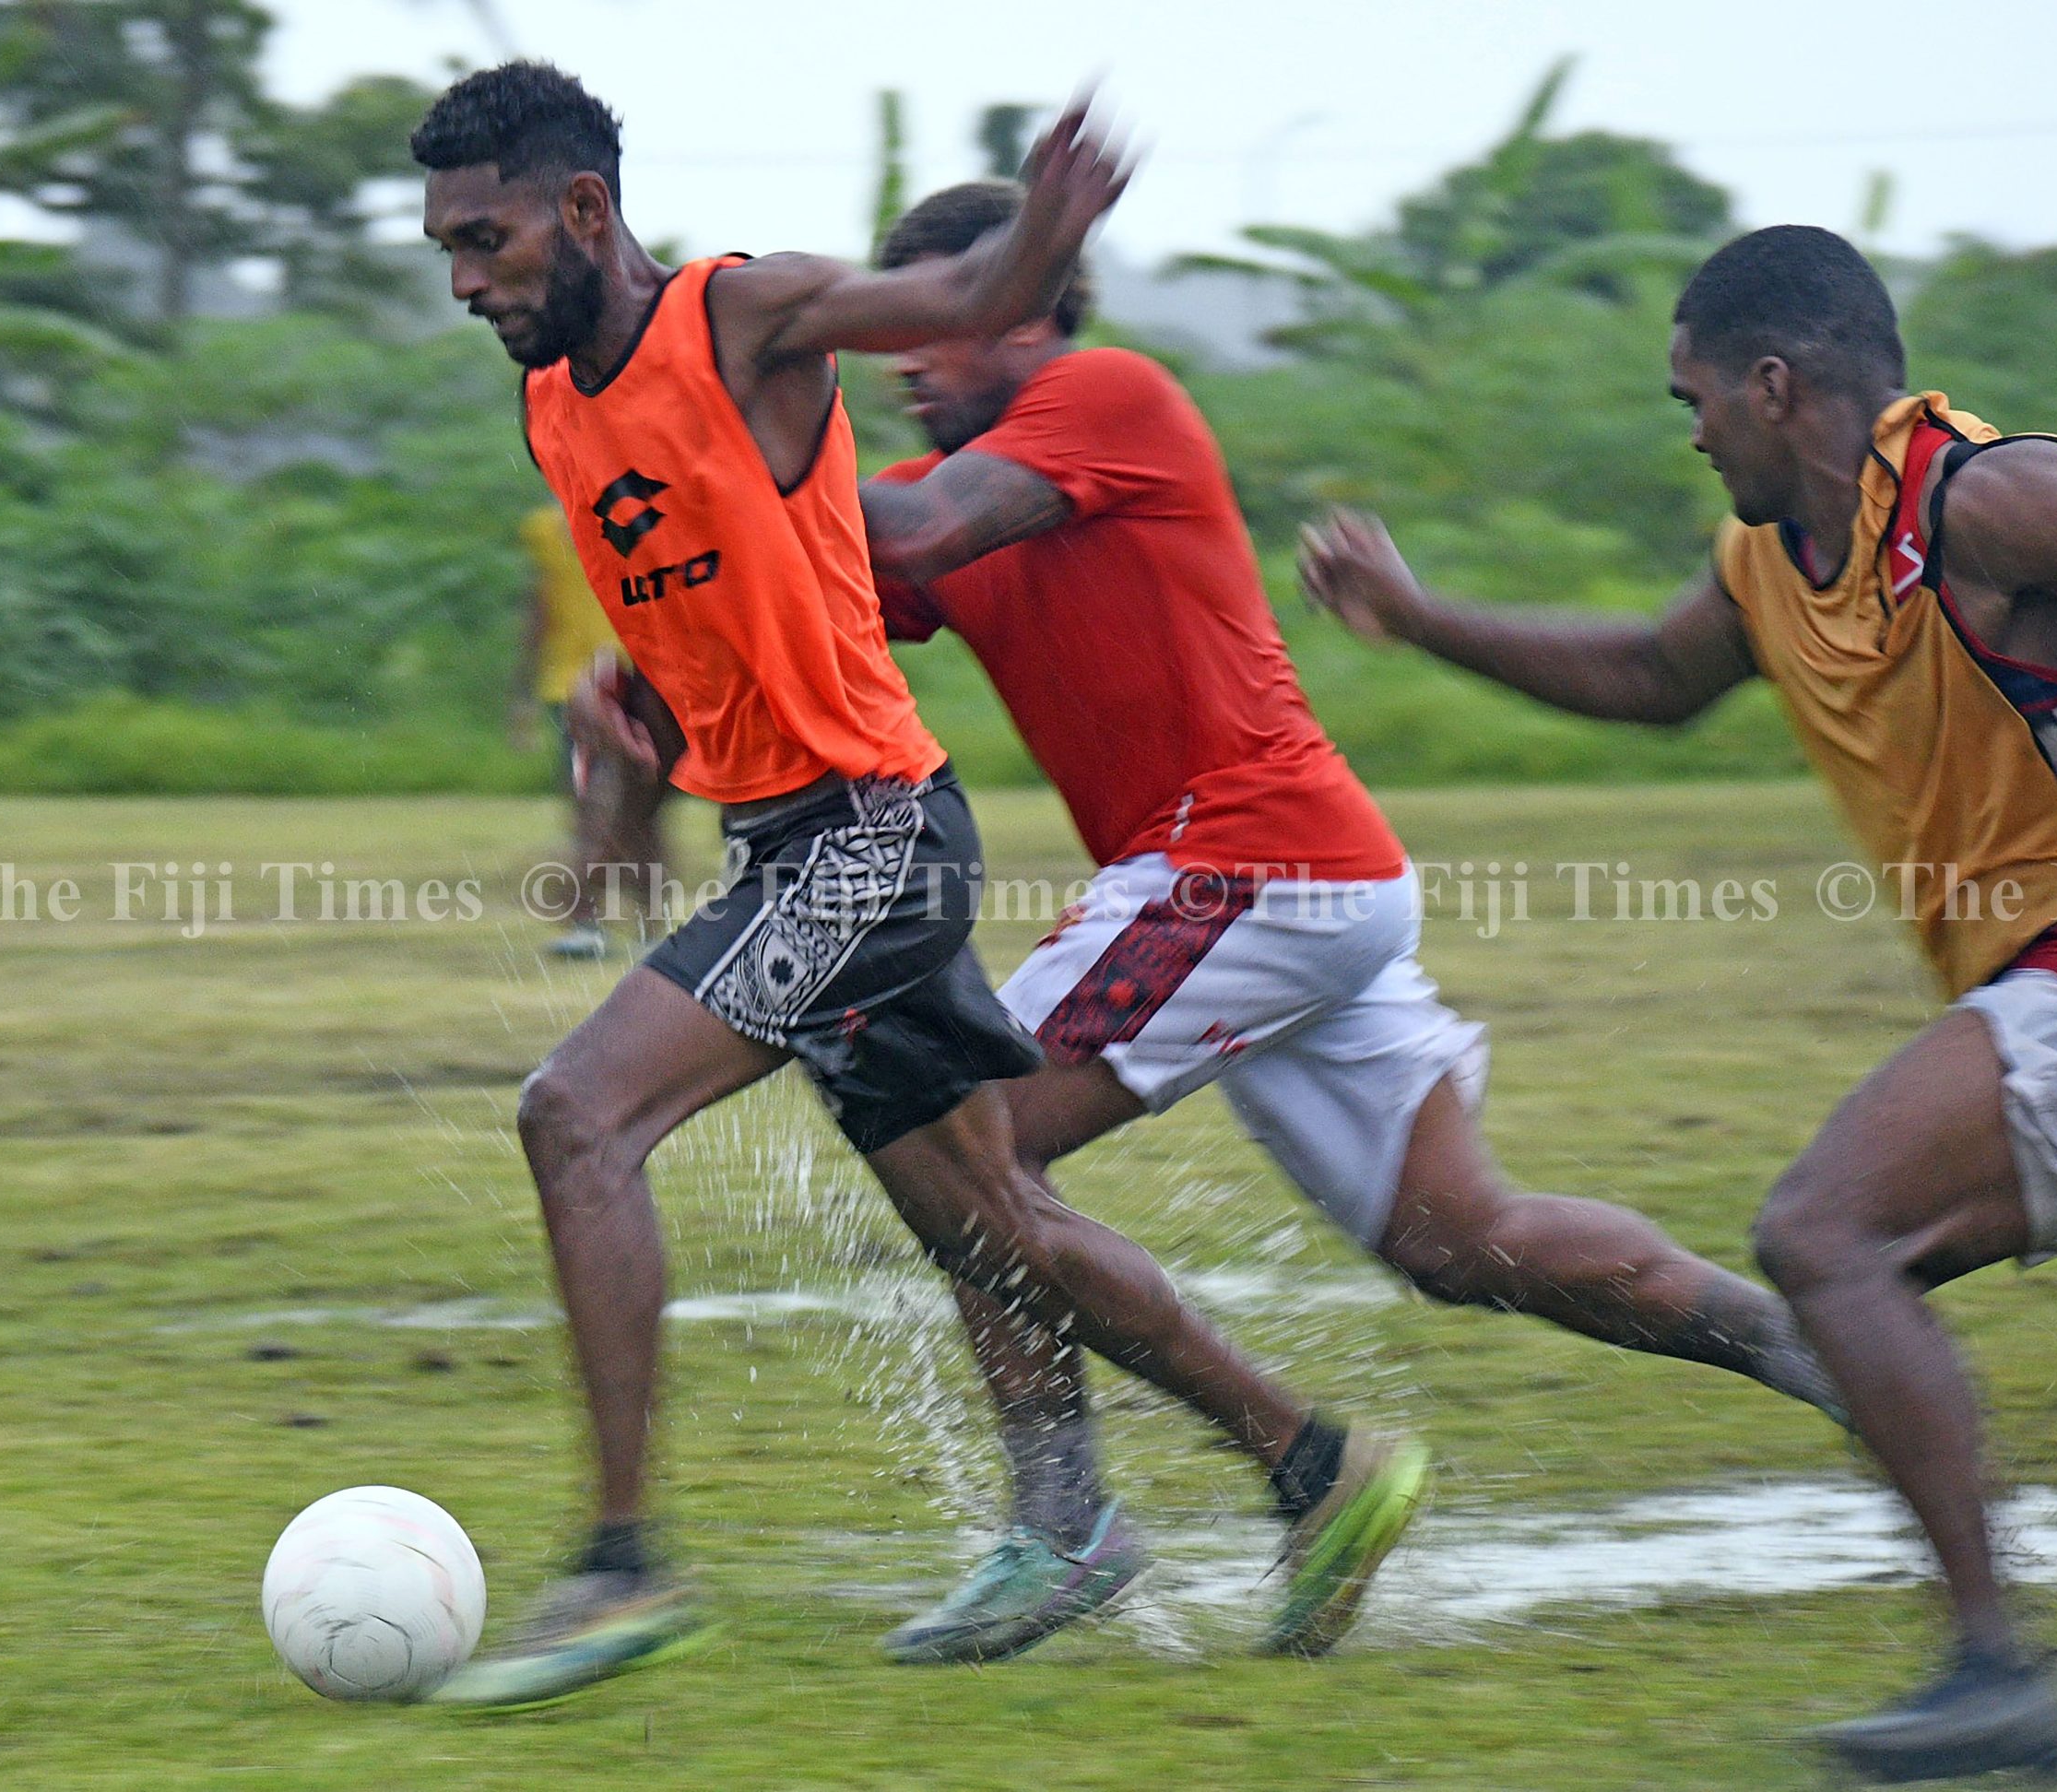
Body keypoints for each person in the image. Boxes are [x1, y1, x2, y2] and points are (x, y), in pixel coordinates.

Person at [408, 65, 1426, 1709]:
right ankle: (1312, 1458)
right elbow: (711, 621)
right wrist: (643, 715)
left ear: (581, 211)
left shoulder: (742, 318)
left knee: (576, 1112)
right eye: (447, 248)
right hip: (800, 841)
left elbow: (962, 294)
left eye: (487, 238)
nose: (466, 278)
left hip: (868, 839)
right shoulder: (552, 408)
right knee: (992, 1212)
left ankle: (618, 1563)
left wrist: (1042, 223)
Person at [856, 181, 1843, 1667]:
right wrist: (658, 677)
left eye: (937, 318)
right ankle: (1836, 1357)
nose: (904, 356)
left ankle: (1136, 1509)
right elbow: (828, 607)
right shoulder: (961, 482)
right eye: (890, 329)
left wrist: (745, 420)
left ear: (1039, 304)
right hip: (1307, 878)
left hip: (1239, 864)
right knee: (1468, 1239)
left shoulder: (1099, 396)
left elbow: (904, 532)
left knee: (963, 1144)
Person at [1300, 223, 2057, 1783]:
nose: (1692, 426)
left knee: (1827, 1230)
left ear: (1773, 384)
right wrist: (1421, 611)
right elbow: (1656, 677)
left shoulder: (1985, 498)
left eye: (1694, 397)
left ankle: (1994, 1667)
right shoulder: (1768, 560)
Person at [511, 504, 668, 959]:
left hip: (631, 682)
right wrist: (523, 691)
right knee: (595, 809)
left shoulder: (637, 521)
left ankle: (635, 925)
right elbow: (540, 613)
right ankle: (607, 923)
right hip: (572, 686)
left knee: (629, 811)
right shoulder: (548, 531)